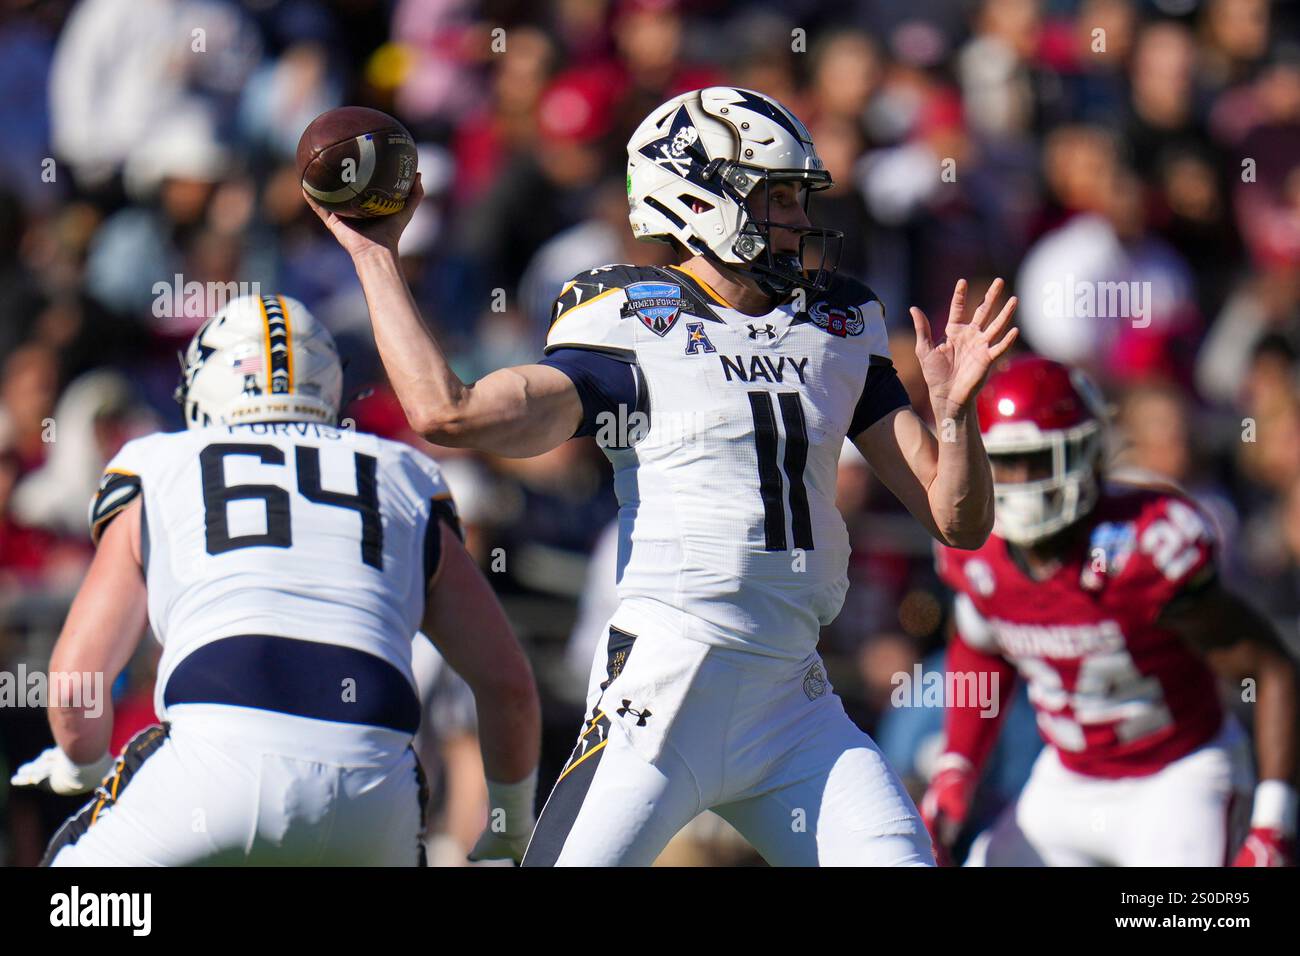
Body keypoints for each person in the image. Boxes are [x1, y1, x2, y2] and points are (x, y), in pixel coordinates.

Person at [309, 87, 1018, 866]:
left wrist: (957, 420)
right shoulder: (633, 319)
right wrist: (376, 258)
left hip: (792, 699)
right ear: (698, 193)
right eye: (776, 195)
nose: (799, 218)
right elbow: (449, 413)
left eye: (796, 196)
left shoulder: (836, 324)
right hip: (665, 691)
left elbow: (959, 521)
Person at [10, 293, 541, 866]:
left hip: (212, 767)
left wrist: (80, 764)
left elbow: (75, 682)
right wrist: (509, 823)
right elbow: (508, 686)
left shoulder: (161, 464)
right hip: (371, 791)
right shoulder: (404, 473)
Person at [924, 355, 1298, 866]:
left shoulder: (1147, 545)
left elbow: (1270, 669)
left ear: (1088, 452)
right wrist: (955, 770)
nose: (1023, 481)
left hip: (1174, 777)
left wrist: (1275, 822)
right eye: (1007, 462)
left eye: (1039, 460)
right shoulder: (978, 550)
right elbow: (981, 646)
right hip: (1068, 777)